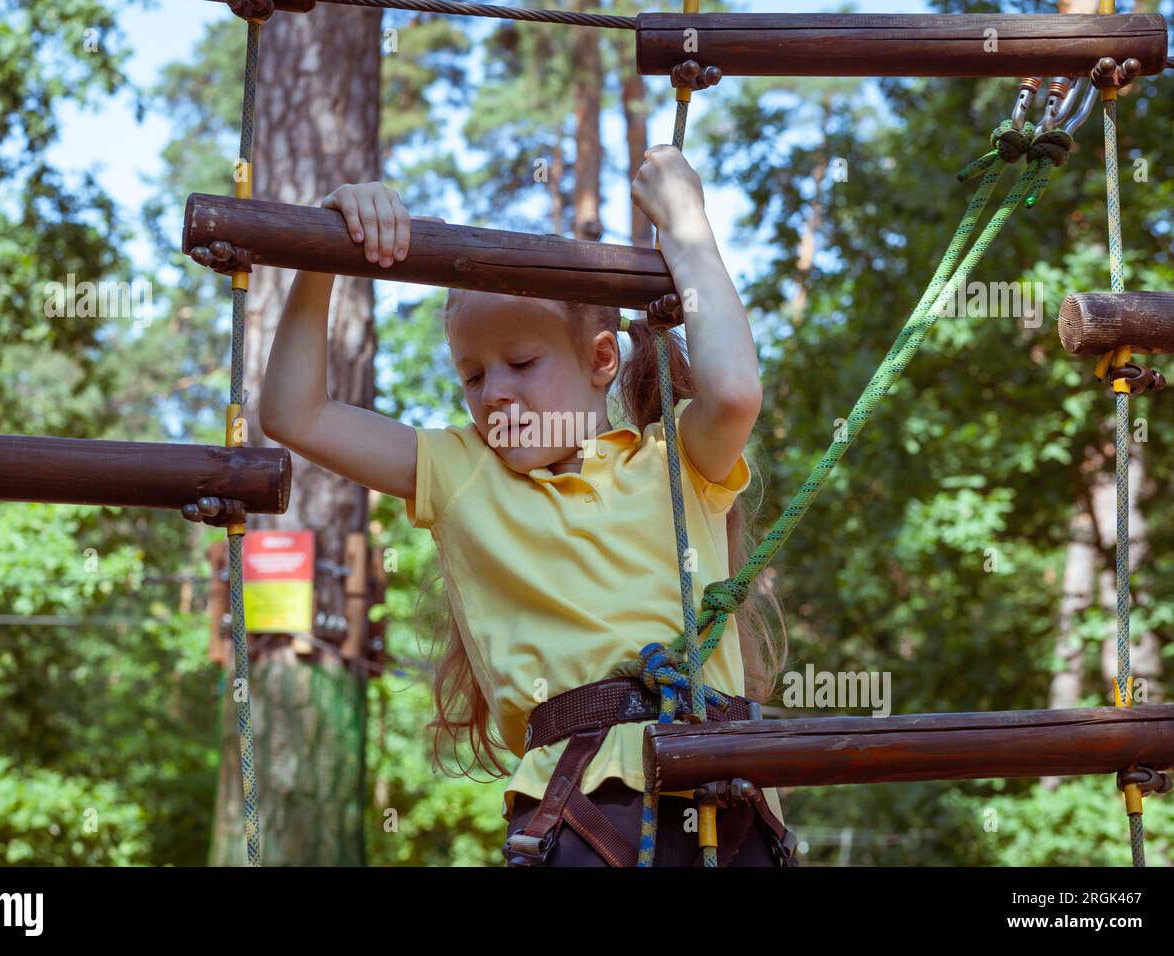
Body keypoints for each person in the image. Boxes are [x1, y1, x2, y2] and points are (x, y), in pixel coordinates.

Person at [260, 144, 793, 866]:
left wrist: (687, 224)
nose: (494, 394)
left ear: (601, 359)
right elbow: (295, 414)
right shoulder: (462, 472)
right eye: (472, 375)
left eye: (521, 363)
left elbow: (732, 393)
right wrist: (324, 256)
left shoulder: (673, 463)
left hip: (725, 794)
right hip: (582, 815)